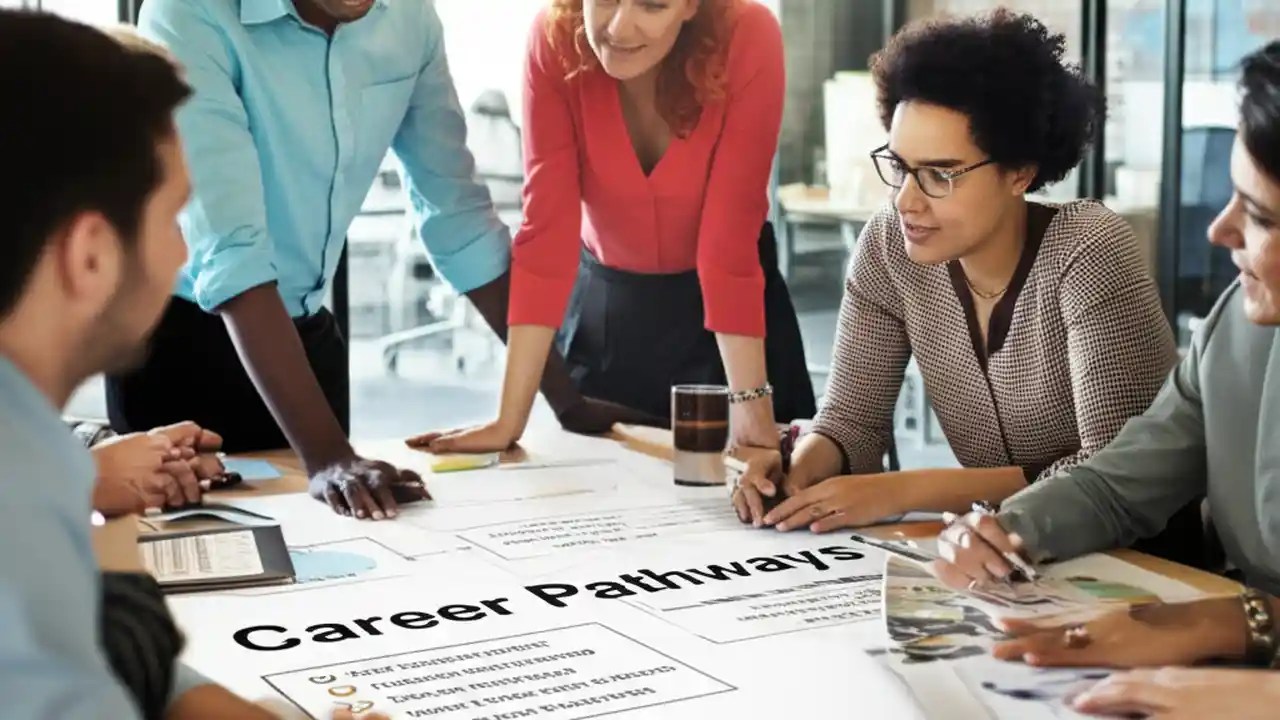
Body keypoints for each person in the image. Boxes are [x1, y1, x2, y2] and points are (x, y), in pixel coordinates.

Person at [111, 0, 652, 522]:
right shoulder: (190, 13)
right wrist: (328, 456)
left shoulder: (409, 18)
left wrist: (567, 398)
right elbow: (233, 252)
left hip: (305, 345)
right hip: (179, 354)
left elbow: (458, 216)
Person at [0, 12, 390, 718]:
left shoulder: (34, 446)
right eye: (175, 217)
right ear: (90, 256)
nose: (186, 255)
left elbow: (112, 662)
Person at [729, 10, 1201, 564]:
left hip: (1143, 568)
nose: (907, 199)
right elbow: (850, 421)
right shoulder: (890, 245)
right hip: (1001, 561)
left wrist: (901, 491)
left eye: (940, 175)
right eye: (901, 167)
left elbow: (1113, 472)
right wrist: (796, 476)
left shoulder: (1087, 250)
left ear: (1020, 172)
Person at [930, 40, 1280, 717]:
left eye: (1260, 215)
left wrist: (1243, 652)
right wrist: (1005, 530)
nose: (1219, 230)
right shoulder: (1237, 325)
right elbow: (1117, 485)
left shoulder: (1088, 250)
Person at [411, 0, 816, 456]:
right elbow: (545, 234)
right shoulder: (553, 41)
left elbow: (729, 240)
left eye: (653, 4)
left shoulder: (748, 34)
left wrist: (752, 409)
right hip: (608, 324)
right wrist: (510, 420)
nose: (619, 28)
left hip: (737, 332)